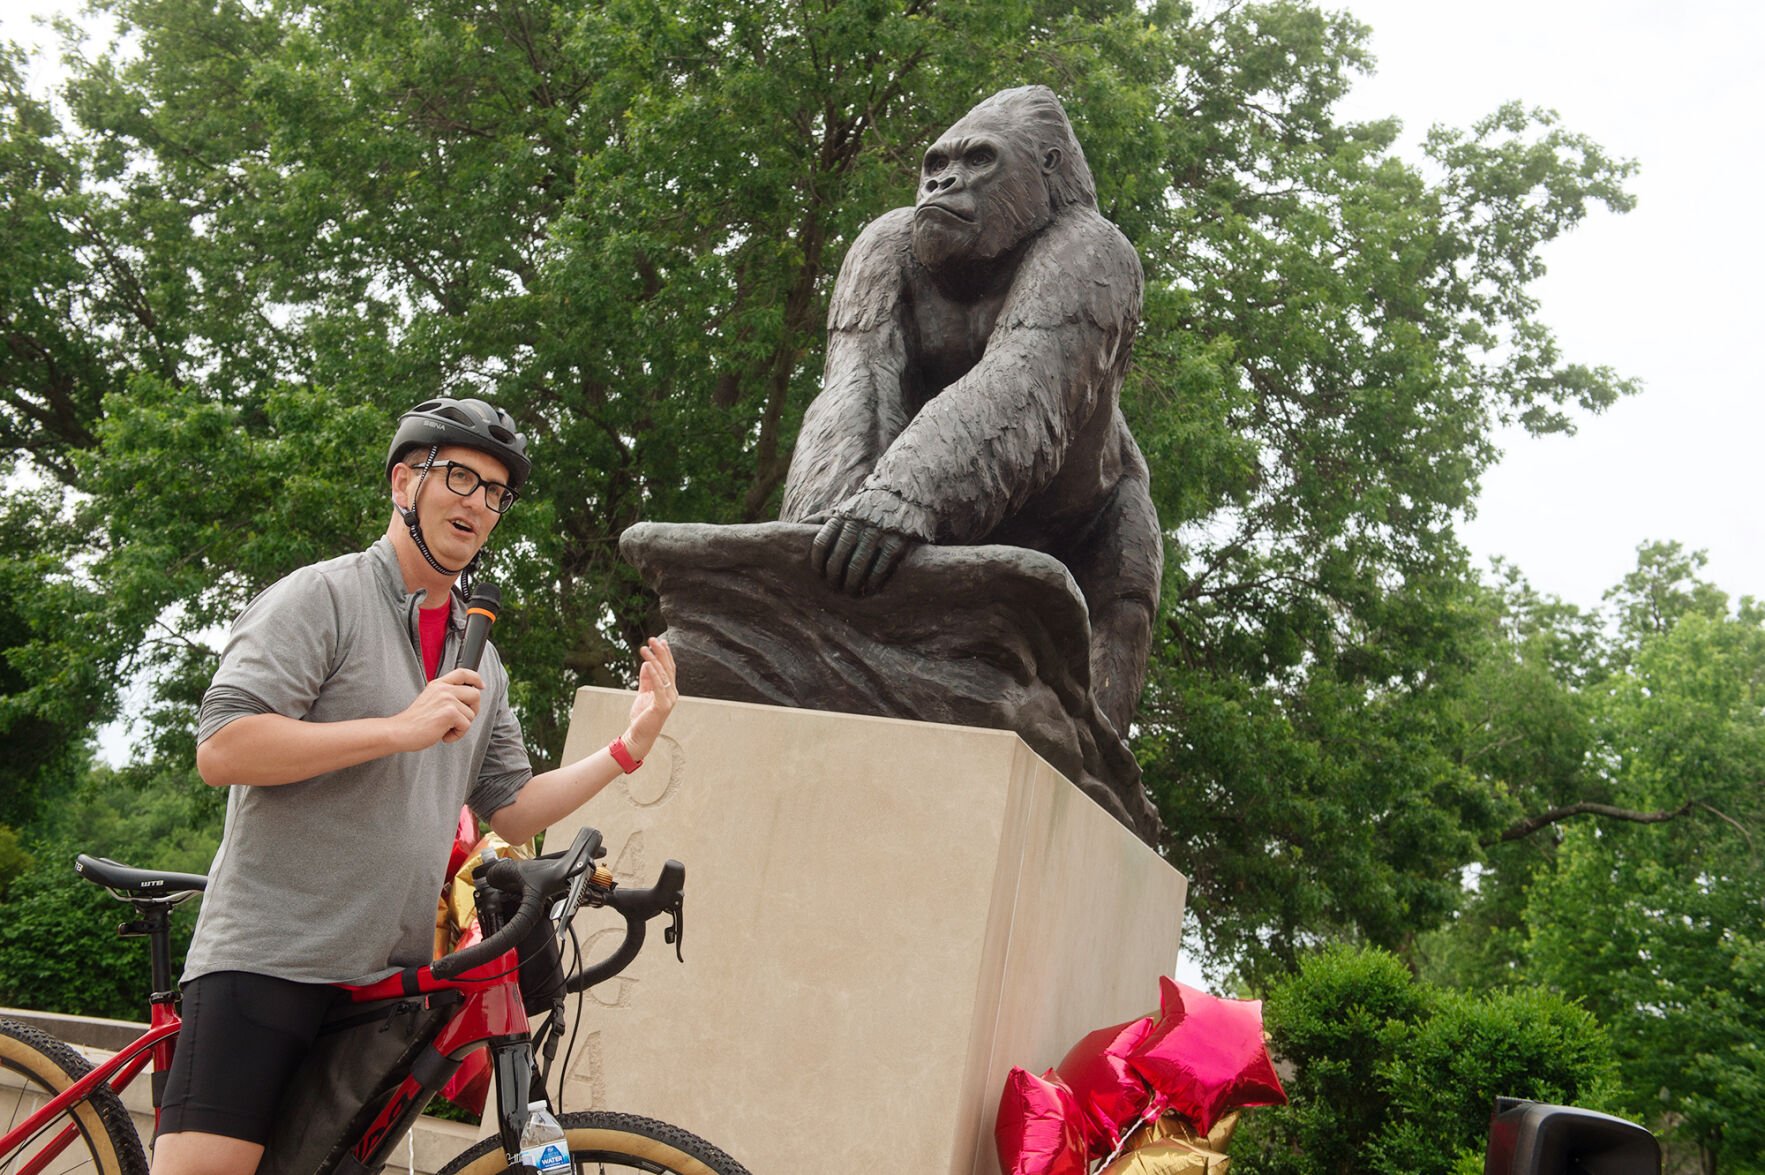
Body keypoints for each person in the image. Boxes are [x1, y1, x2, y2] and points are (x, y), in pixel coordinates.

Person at [150, 397, 678, 1175]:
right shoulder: (320, 597)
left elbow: (510, 805)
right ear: (405, 480)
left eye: (495, 491)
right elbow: (223, 748)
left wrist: (627, 748)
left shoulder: (480, 657)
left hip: (383, 982)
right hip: (268, 958)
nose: (478, 502)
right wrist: (399, 726)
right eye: (459, 476)